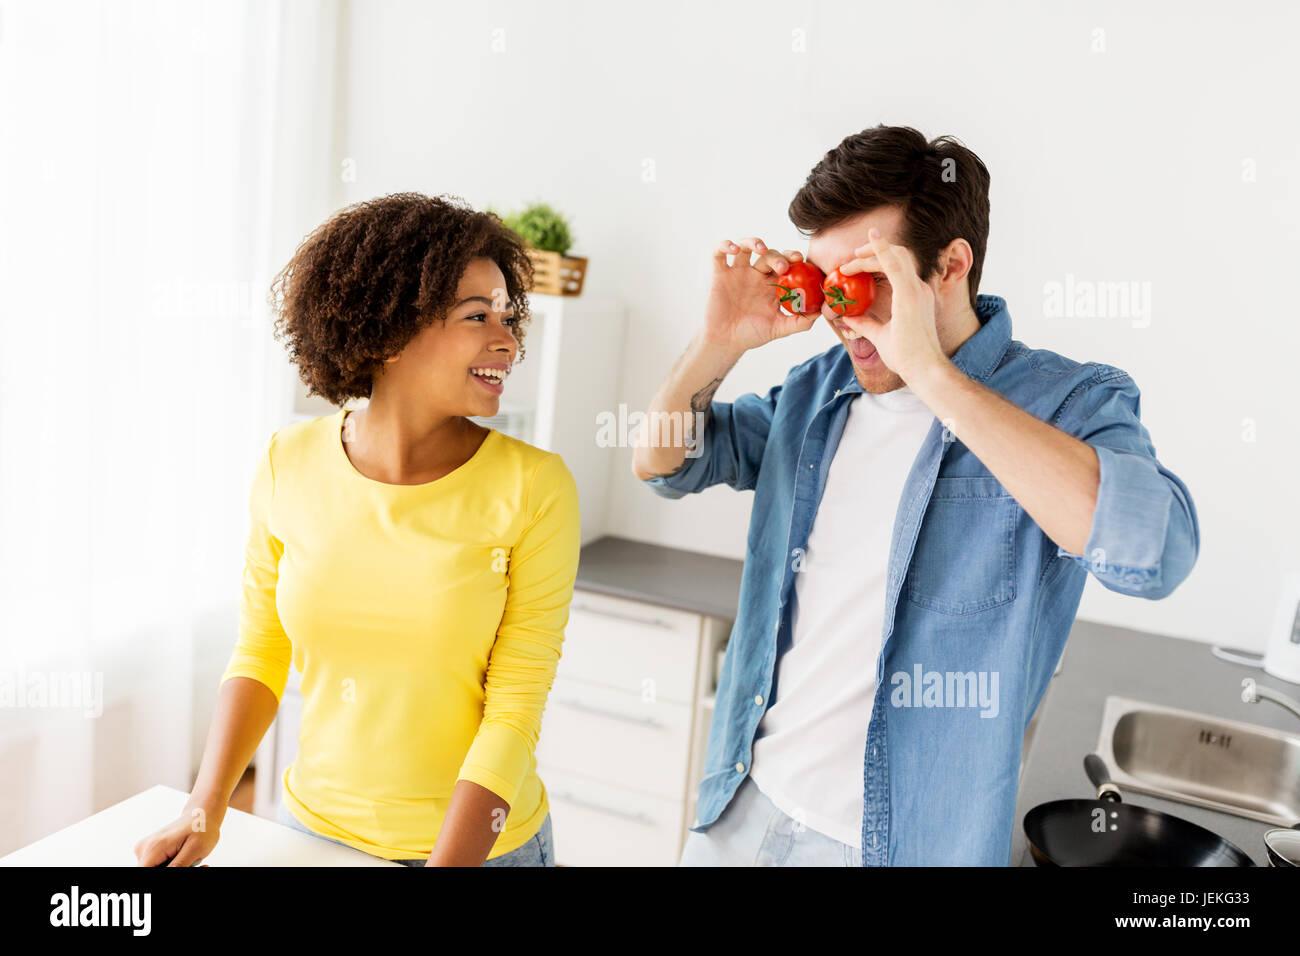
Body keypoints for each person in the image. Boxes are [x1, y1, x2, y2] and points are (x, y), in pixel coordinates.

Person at [632, 125, 1199, 866]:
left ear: (950, 267)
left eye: (869, 284)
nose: (844, 316)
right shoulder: (817, 391)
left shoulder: (1069, 401)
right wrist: (720, 342)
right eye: (830, 286)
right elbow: (664, 461)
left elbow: (1153, 553)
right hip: (741, 812)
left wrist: (932, 375)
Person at [134, 193, 579, 867]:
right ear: (391, 330)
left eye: (510, 318)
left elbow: (514, 711)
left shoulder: (533, 487)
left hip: (481, 851)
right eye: (477, 317)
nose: (507, 340)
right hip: (314, 834)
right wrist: (206, 806)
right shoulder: (289, 462)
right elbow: (261, 651)